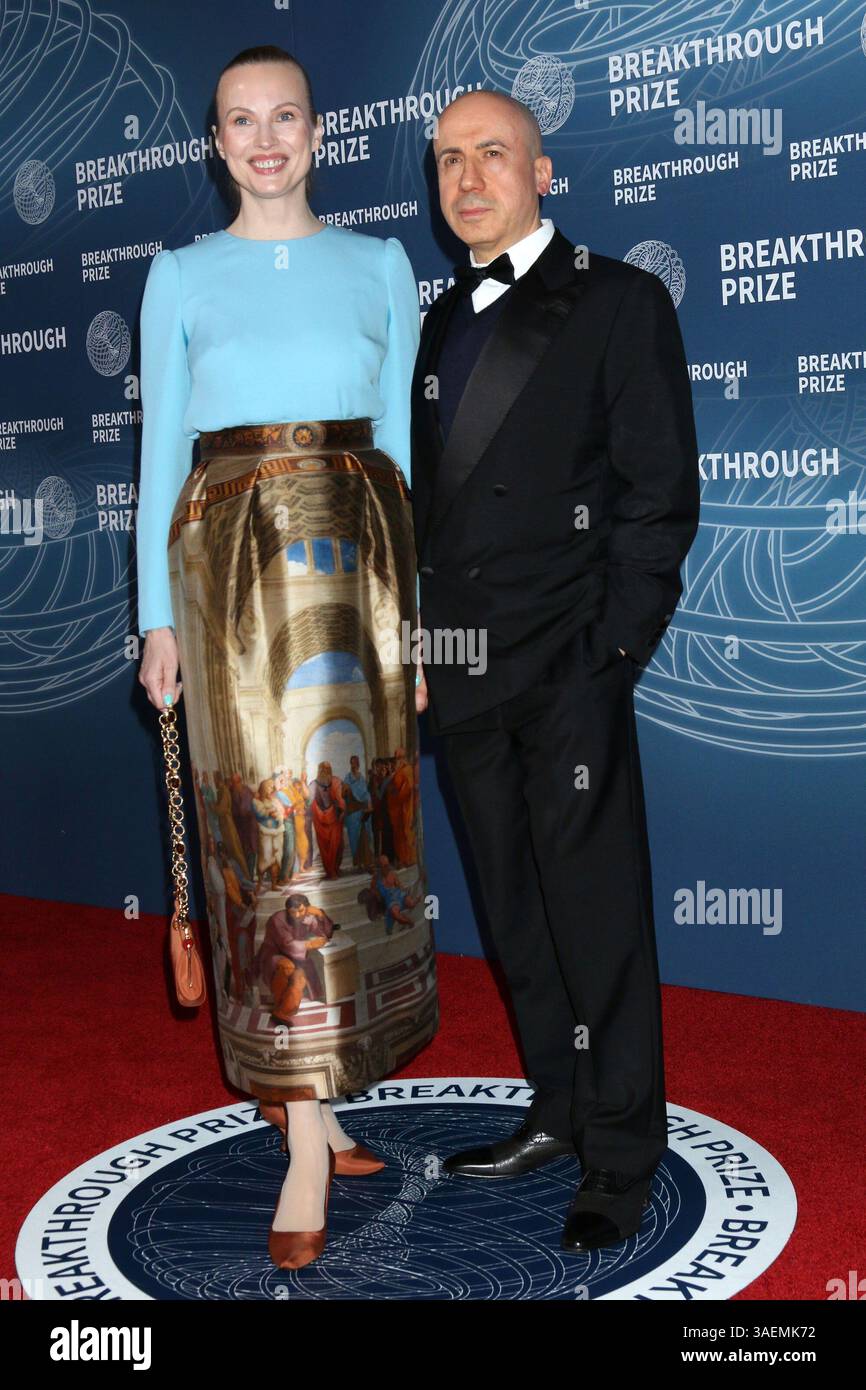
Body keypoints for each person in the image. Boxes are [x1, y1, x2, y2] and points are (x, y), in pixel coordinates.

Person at [136, 45, 438, 1270]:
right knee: (261, 837)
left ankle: (332, 1077)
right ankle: (302, 1131)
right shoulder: (177, 277)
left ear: (319, 131)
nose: (265, 139)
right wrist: (153, 615)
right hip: (225, 579)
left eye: (285, 117)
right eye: (240, 122)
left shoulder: (377, 266)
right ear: (216, 145)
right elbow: (162, 450)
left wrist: (412, 624)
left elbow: (404, 456)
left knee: (354, 829)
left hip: (360, 564)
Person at [410, 90, 700, 1252]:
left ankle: (623, 1157)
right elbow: (429, 521)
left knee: (596, 920)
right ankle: (558, 1105)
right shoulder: (439, 320)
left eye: (491, 155)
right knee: (516, 917)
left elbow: (656, 500)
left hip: (567, 665)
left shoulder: (617, 301)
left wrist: (603, 662)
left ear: (543, 172)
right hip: (462, 673)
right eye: (446, 161)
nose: (467, 178)